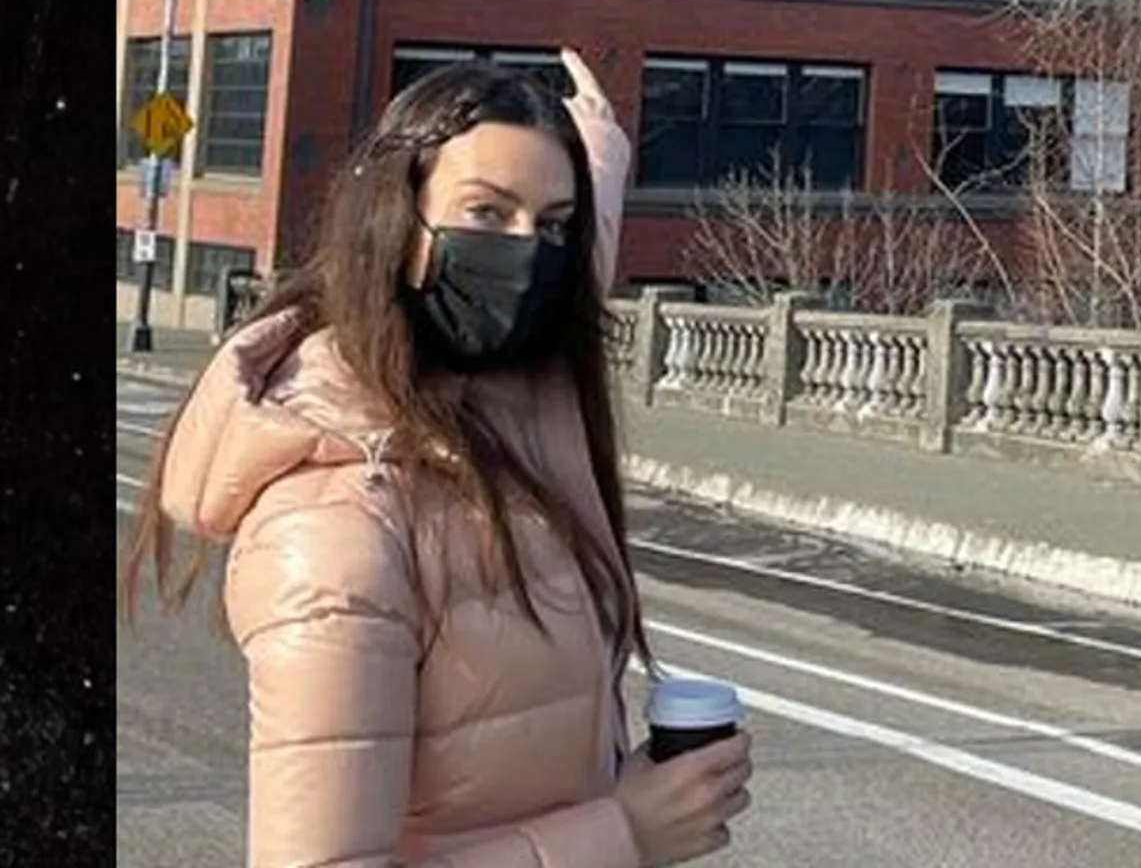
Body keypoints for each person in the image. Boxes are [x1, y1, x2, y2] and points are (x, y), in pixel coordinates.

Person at [123, 49, 753, 868]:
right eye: (487, 215)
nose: (527, 255)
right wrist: (623, 834)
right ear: (397, 219)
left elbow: (572, 264)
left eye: (553, 224)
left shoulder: (514, 396)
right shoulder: (336, 530)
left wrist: (598, 135)